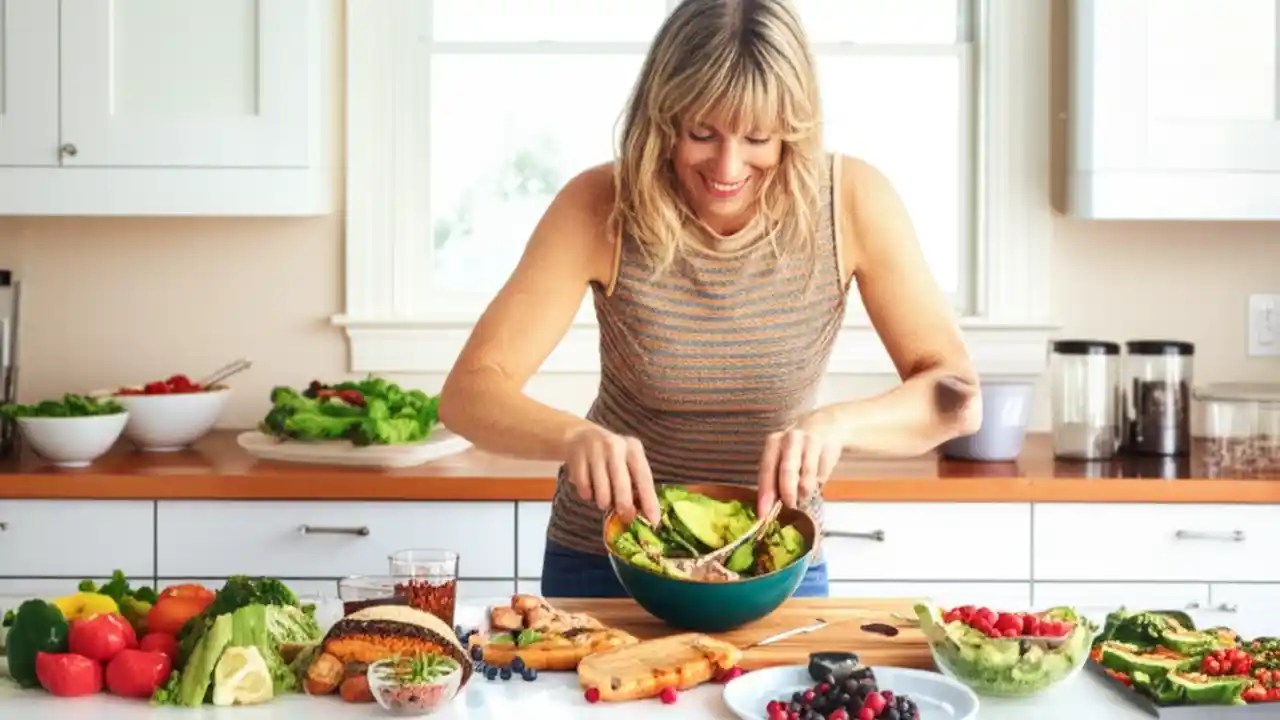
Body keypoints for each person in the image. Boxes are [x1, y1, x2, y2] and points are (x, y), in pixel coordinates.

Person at [438, 0, 982, 599]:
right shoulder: (599, 205)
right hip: (609, 562)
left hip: (773, 566)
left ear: (793, 129)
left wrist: (838, 425)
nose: (727, 166)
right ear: (662, 117)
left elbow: (955, 398)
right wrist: (573, 438)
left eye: (757, 137)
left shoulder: (851, 201)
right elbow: (469, 393)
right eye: (701, 133)